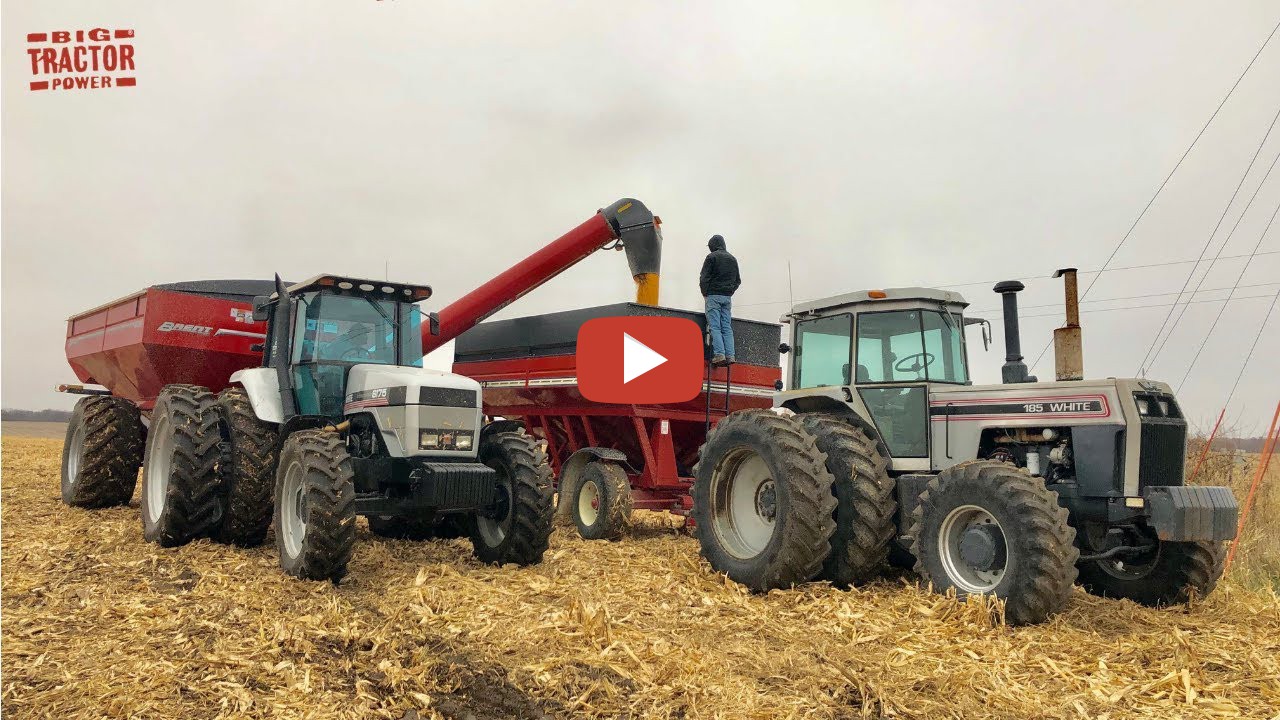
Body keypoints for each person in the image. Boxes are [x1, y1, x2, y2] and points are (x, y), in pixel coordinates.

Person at [699, 234, 741, 365]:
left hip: (713, 296)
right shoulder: (733, 259)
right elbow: (737, 281)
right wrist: (729, 291)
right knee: (726, 327)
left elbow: (704, 278)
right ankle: (730, 355)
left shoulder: (711, 257)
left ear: (713, 245)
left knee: (715, 327)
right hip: (727, 298)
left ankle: (719, 354)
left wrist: (705, 293)